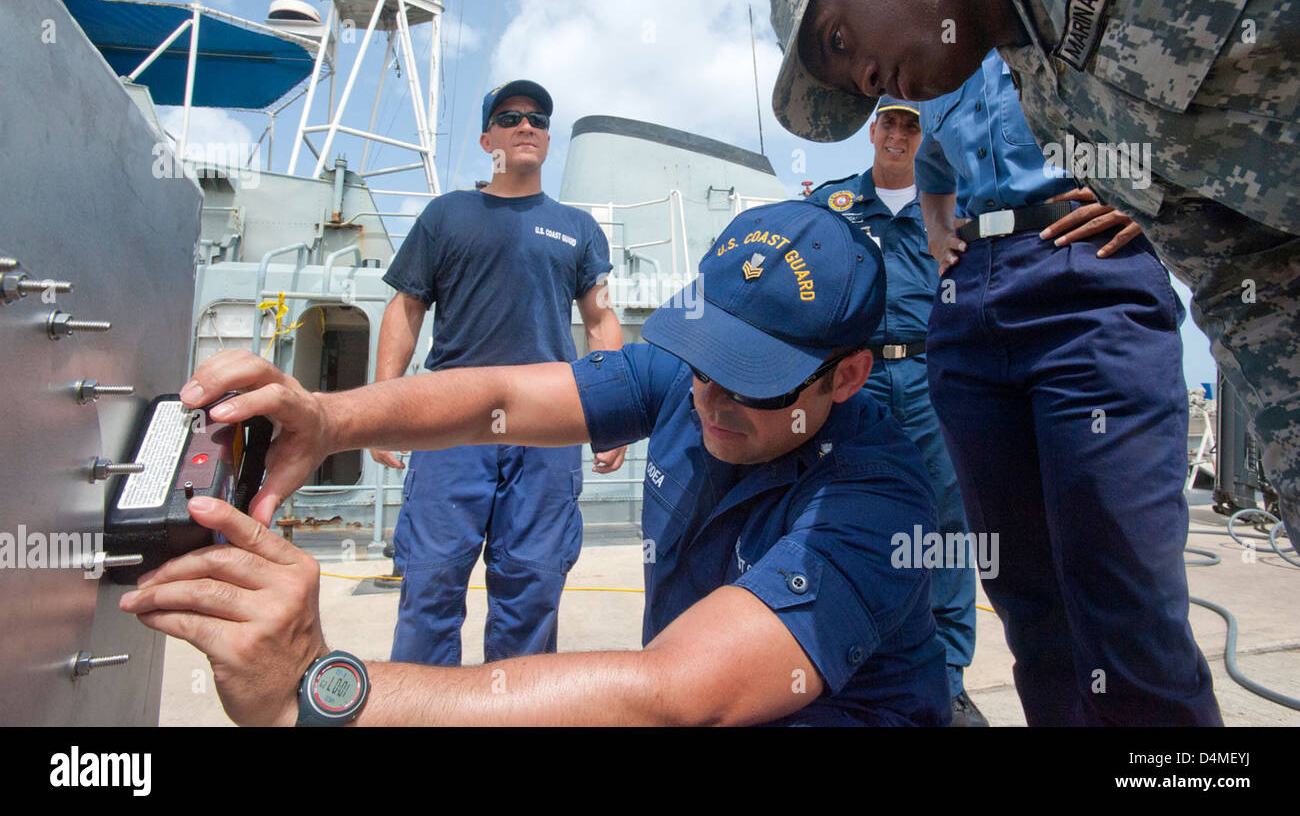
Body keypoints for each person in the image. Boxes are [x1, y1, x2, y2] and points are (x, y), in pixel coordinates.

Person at [120, 200, 952, 727]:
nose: (708, 401)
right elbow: (501, 400)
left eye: (750, 384)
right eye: (702, 362)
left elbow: (674, 694)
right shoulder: (683, 380)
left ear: (847, 376)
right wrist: (325, 417)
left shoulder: (876, 503)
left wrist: (321, 688)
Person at [767, 0, 1300, 559]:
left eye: (840, 40)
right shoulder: (1053, 109)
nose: (868, 80)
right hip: (988, 293)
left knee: (1119, 567)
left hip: (1076, 279)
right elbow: (1238, 268)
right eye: (856, 86)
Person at [371, 79, 626, 666]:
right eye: (511, 118)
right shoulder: (447, 215)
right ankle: (421, 708)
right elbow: (406, 307)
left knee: (533, 586)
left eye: (538, 119)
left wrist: (611, 413)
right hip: (452, 421)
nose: (527, 126)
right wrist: (385, 406)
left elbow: (600, 319)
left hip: (546, 426)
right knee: (430, 581)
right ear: (488, 138)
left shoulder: (577, 226)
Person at [805, 97, 984, 726]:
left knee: (946, 527)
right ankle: (849, 660)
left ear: (924, 135)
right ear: (872, 129)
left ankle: (948, 675)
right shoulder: (830, 205)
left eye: (913, 124)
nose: (899, 134)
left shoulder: (960, 207)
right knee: (844, 510)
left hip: (936, 374)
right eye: (890, 123)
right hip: (859, 377)